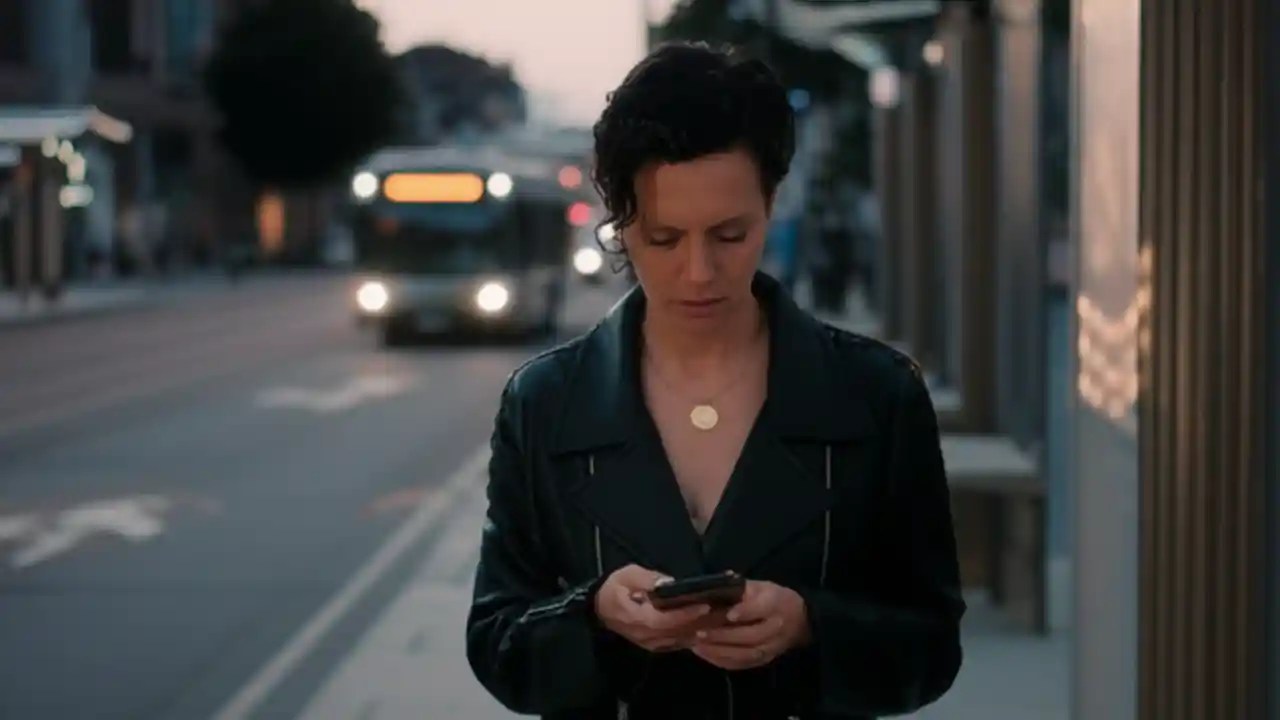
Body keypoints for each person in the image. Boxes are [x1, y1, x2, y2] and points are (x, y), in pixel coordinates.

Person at [467, 42, 964, 719]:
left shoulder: (877, 395)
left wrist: (807, 623)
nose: (698, 272)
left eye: (730, 235)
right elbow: (496, 643)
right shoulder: (545, 403)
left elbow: (932, 644)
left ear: (771, 203)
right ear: (619, 222)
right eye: (665, 239)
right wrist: (594, 616)